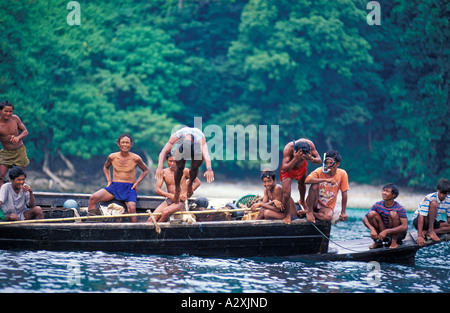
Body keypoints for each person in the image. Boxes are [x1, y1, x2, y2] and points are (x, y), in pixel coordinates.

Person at [88, 134, 149, 222]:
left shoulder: (136, 158)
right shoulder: (112, 157)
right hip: (114, 187)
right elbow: (106, 167)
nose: (125, 145)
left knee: (132, 207)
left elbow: (145, 170)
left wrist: (137, 183)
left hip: (129, 188)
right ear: (118, 144)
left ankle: (134, 228)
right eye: (123, 142)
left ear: (131, 144)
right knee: (93, 198)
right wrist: (109, 180)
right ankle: (92, 223)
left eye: (127, 143)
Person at [155, 127, 214, 204]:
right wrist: (159, 167)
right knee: (179, 168)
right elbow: (163, 152)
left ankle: (189, 183)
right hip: (182, 148)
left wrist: (209, 168)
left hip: (196, 150)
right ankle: (177, 187)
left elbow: (206, 154)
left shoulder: (200, 138)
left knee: (195, 167)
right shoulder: (176, 136)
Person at [150, 151, 201, 222]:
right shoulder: (163, 172)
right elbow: (157, 190)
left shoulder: (185, 171)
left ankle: (157, 230)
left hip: (181, 201)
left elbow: (197, 182)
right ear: (166, 161)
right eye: (170, 161)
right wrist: (170, 196)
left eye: (175, 161)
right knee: (151, 218)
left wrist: (185, 193)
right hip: (170, 199)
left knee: (165, 212)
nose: (172, 164)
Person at [302, 150, 348, 223]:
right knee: (315, 184)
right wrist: (326, 180)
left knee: (328, 216)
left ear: (337, 164)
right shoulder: (320, 171)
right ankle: (309, 211)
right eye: (327, 163)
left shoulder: (342, 174)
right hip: (313, 202)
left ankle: (308, 213)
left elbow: (344, 193)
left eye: (331, 163)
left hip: (326, 206)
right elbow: (306, 180)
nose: (328, 165)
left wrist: (343, 212)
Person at [280, 139, 321, 216]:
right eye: (302, 156)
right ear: (295, 151)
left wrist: (311, 158)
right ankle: (286, 213)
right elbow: (284, 169)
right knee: (286, 194)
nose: (303, 158)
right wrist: (295, 159)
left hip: (301, 167)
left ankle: (302, 201)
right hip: (289, 168)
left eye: (304, 157)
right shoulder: (288, 148)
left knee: (302, 183)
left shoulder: (310, 145)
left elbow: (319, 161)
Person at [363, 183, 408, 249]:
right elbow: (365, 218)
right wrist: (371, 229)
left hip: (397, 234)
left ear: (394, 195)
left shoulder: (399, 208)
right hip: (383, 232)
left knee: (393, 214)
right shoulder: (377, 205)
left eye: (387, 191)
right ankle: (378, 242)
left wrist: (386, 231)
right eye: (383, 190)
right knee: (372, 214)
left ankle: (393, 241)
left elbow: (405, 227)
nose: (384, 193)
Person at [0, 101, 30, 187]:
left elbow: (25, 131)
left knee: (20, 176)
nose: (8, 113)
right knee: (1, 176)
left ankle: (18, 195)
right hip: (6, 152)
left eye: (10, 111)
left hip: (19, 151)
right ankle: (1, 196)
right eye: (6, 111)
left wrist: (18, 138)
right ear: (0, 111)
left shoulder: (15, 119)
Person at [412, 178, 450, 246]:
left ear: (447, 193)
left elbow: (449, 218)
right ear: (438, 190)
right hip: (420, 220)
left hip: (431, 222)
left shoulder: (448, 200)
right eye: (440, 192)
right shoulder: (429, 198)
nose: (441, 195)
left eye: (444, 194)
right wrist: (419, 236)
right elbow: (421, 216)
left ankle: (427, 232)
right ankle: (430, 230)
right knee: (434, 204)